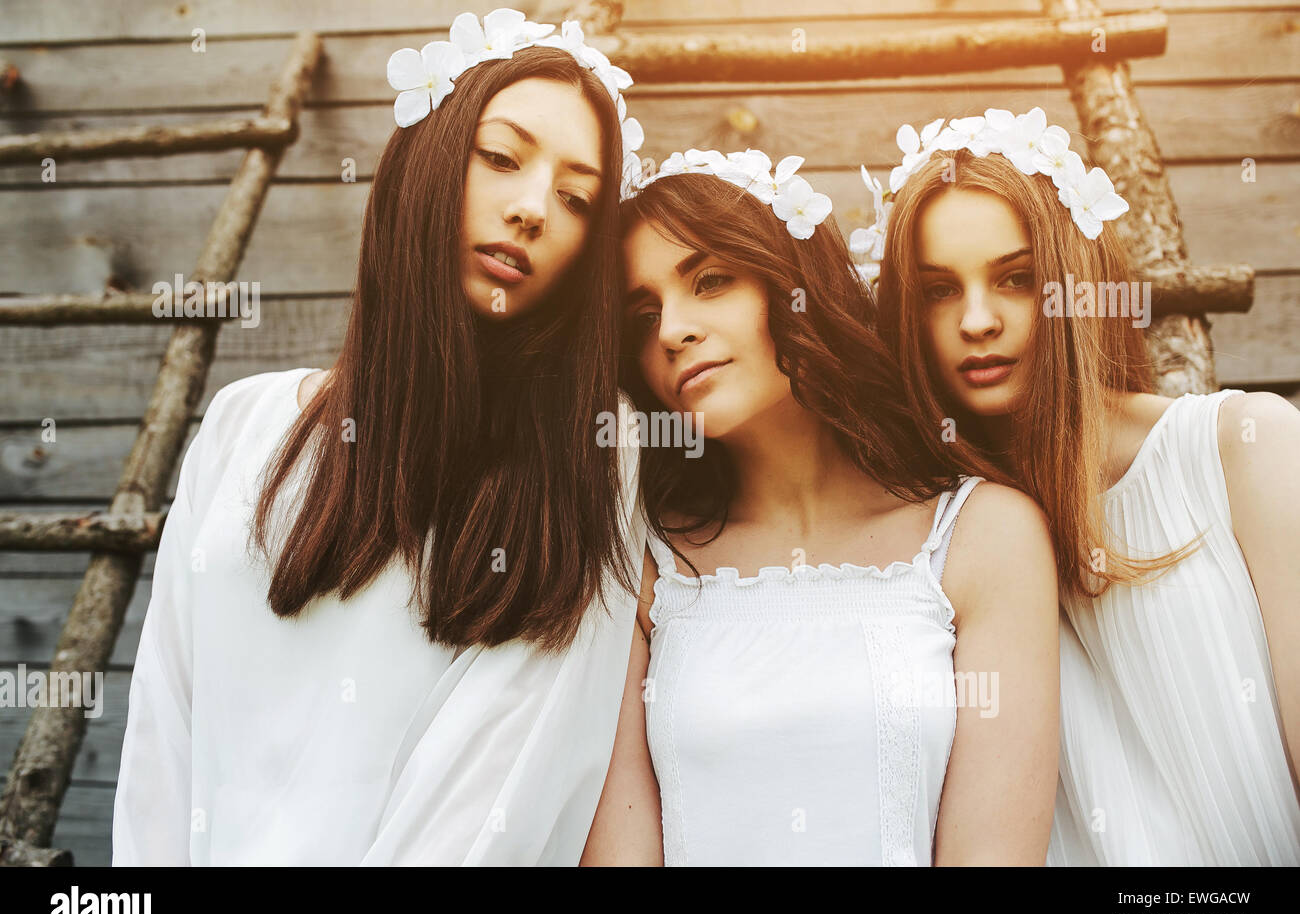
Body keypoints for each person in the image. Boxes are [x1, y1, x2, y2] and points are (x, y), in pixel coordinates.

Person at [113, 9, 649, 865]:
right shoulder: (241, 426)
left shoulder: (589, 455)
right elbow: (162, 737)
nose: (532, 210)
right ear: (427, 163)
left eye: (577, 197)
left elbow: (500, 786)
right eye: (503, 158)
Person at [581, 148, 1060, 866]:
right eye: (643, 313)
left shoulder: (981, 536)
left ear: (793, 283)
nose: (672, 331)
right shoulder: (640, 563)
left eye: (710, 282)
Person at [872, 107, 1300, 864]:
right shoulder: (926, 534)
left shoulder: (1245, 448)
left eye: (1017, 279)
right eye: (939, 290)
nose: (977, 320)